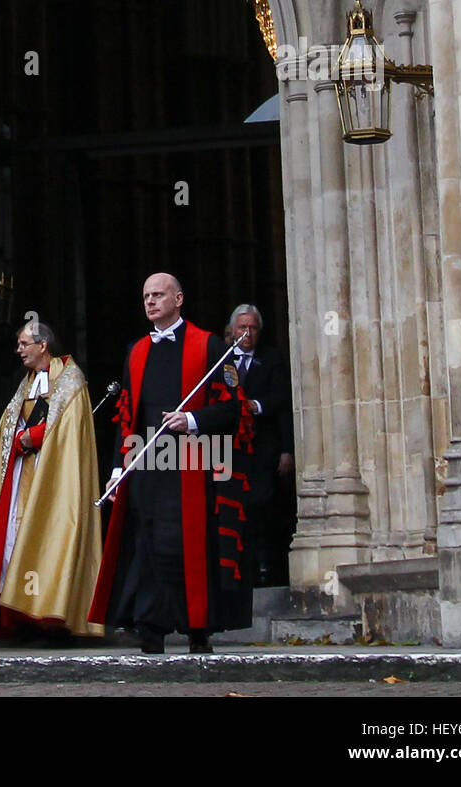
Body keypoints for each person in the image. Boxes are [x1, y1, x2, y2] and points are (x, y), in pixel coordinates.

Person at [88, 273, 249, 654]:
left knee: (187, 546)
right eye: (146, 296)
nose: (150, 302)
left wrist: (191, 420)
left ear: (178, 299)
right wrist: (116, 470)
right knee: (146, 548)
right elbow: (127, 417)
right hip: (146, 463)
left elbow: (232, 408)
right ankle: (150, 629)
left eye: (158, 295)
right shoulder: (136, 351)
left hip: (192, 463)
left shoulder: (210, 346)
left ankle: (198, 630)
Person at [0, 321, 105, 642]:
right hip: (21, 475)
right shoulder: (26, 383)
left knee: (47, 540)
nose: (19, 350)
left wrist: (34, 436)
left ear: (43, 345)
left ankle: (47, 617)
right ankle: (15, 615)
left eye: (23, 344)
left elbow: (67, 431)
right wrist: (18, 436)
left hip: (52, 478)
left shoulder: (71, 382)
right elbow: (10, 423)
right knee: (12, 541)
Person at [226, 304, 294, 586]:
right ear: (233, 331)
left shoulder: (271, 359)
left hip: (263, 447)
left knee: (263, 507)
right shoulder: (223, 360)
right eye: (242, 328)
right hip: (231, 448)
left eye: (253, 328)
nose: (247, 333)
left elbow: (283, 402)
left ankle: (266, 568)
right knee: (233, 509)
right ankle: (239, 571)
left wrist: (287, 450)